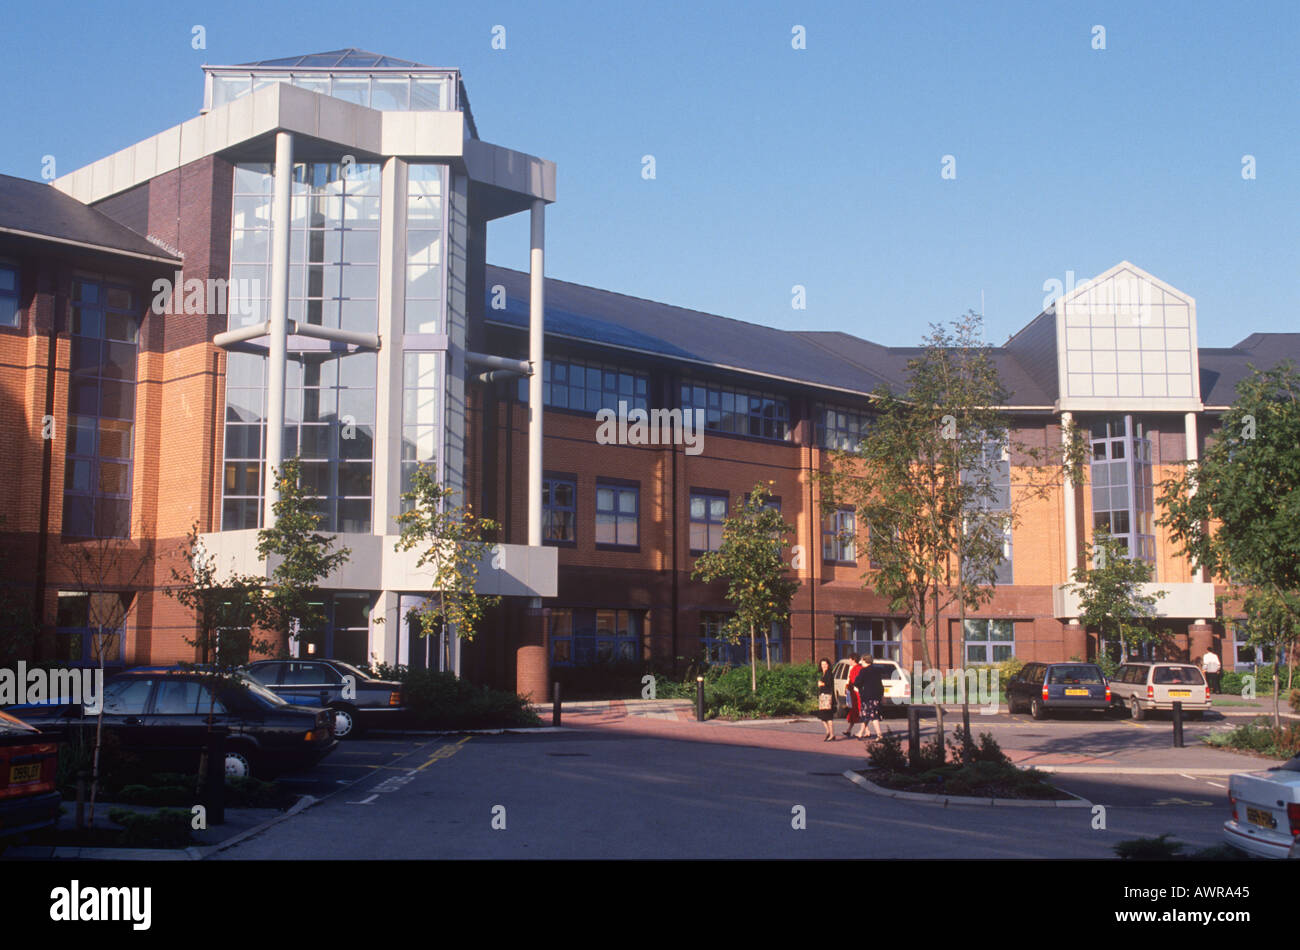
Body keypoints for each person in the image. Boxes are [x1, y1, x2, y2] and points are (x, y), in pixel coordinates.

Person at [854, 655, 887, 740]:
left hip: (867, 696)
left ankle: (879, 735)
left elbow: (857, 682)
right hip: (876, 696)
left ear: (865, 661)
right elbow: (880, 684)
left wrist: (858, 686)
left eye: (862, 660)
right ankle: (860, 732)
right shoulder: (876, 670)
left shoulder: (863, 671)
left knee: (872, 716)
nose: (860, 662)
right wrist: (882, 695)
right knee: (867, 715)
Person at [816, 658, 836, 741]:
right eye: (822, 664)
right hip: (823, 696)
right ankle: (828, 732)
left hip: (827, 696)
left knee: (827, 715)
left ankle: (831, 734)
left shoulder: (828, 673)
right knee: (823, 715)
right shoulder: (823, 673)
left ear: (828, 665)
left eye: (825, 664)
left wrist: (821, 683)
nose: (823, 666)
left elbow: (828, 684)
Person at [843, 653, 862, 737]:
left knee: (857, 711)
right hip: (855, 693)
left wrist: (848, 687)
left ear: (853, 660)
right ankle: (849, 730)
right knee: (855, 712)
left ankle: (864, 731)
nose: (849, 661)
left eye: (850, 659)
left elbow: (854, 681)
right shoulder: (857, 668)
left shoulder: (855, 669)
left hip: (855, 693)